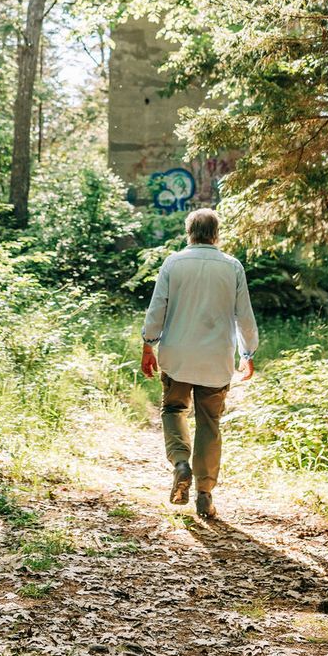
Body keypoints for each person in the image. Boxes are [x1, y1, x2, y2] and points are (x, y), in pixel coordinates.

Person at [141, 207, 257, 519]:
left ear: (189, 232)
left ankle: (181, 463)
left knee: (174, 409)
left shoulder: (173, 263)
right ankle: (205, 493)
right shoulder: (232, 267)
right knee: (210, 422)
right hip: (216, 359)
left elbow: (157, 308)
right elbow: (243, 316)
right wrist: (247, 354)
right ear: (216, 234)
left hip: (178, 355)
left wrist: (148, 344)